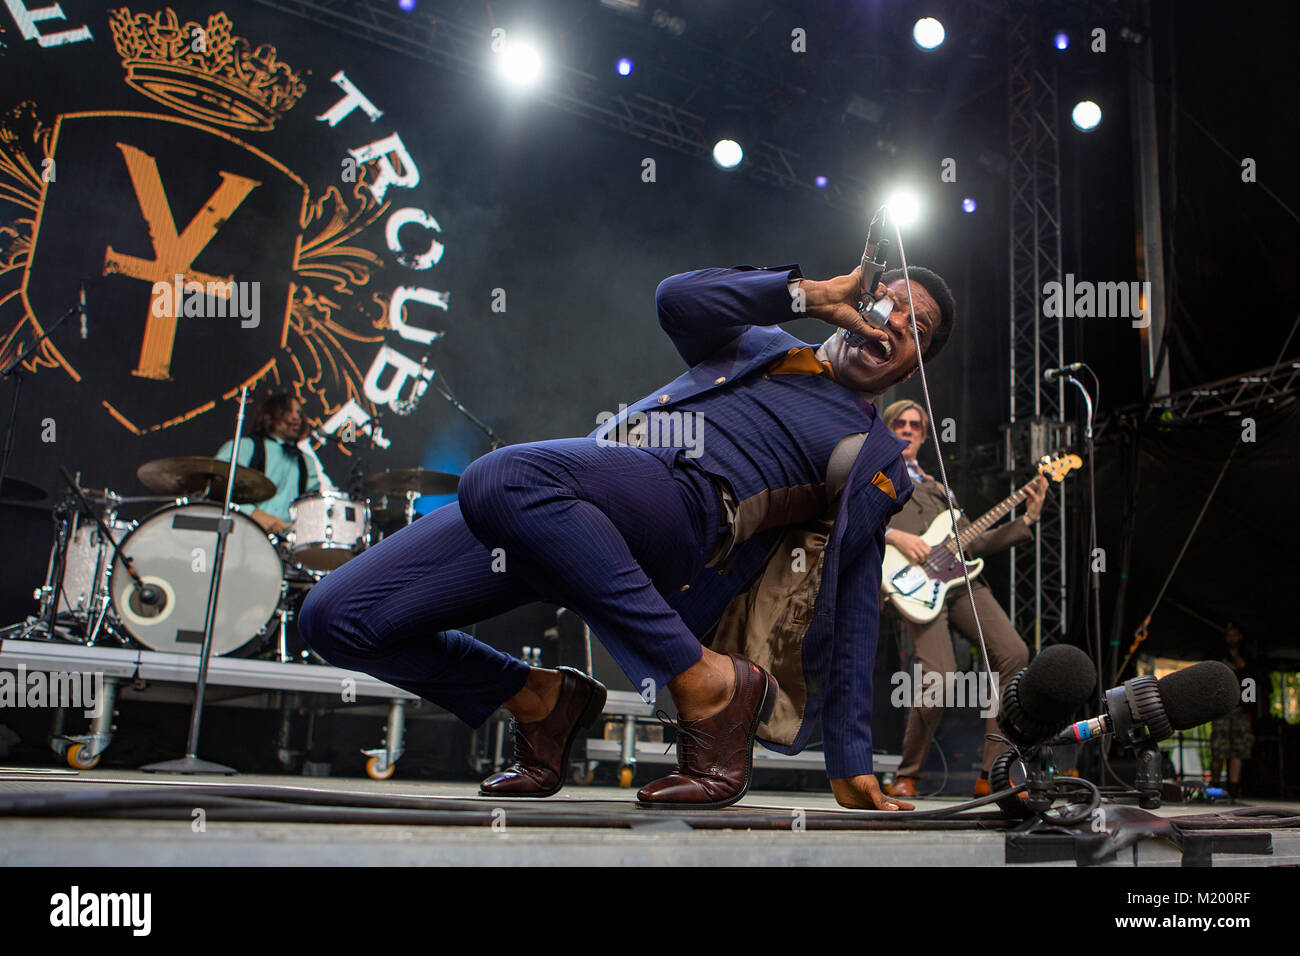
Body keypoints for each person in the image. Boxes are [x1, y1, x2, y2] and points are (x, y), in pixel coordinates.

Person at [299, 262, 956, 810]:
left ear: (917, 361)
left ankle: (705, 683)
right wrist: (807, 295)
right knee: (335, 618)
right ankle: (539, 699)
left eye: (916, 326)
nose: (895, 321)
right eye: (889, 303)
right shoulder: (762, 344)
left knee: (501, 478)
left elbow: (854, 606)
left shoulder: (879, 458)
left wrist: (850, 762)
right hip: (570, 503)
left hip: (686, 517)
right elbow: (677, 300)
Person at [880, 398, 1047, 798]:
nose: (907, 429)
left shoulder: (941, 489)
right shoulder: (876, 475)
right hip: (915, 586)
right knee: (940, 677)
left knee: (1015, 654)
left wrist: (1027, 519)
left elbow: (974, 541)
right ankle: (908, 774)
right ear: (886, 429)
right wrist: (896, 534)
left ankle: (993, 773)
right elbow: (849, 518)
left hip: (961, 583)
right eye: (900, 423)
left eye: (915, 425)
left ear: (923, 434)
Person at [215, 392, 325, 535]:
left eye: (299, 412)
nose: (296, 417)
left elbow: (311, 507)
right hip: (243, 533)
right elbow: (217, 488)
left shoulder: (306, 461)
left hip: (284, 545)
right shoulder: (245, 447)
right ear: (271, 414)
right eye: (288, 411)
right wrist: (254, 514)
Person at [1209, 624, 1255, 798]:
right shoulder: (1218, 656)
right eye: (1229, 635)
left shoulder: (1248, 656)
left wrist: (1248, 707)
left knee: (1238, 749)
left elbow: (1251, 682)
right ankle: (1214, 789)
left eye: (1235, 634)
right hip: (1221, 709)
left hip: (1240, 710)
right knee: (1219, 750)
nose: (1232, 638)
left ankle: (1234, 790)